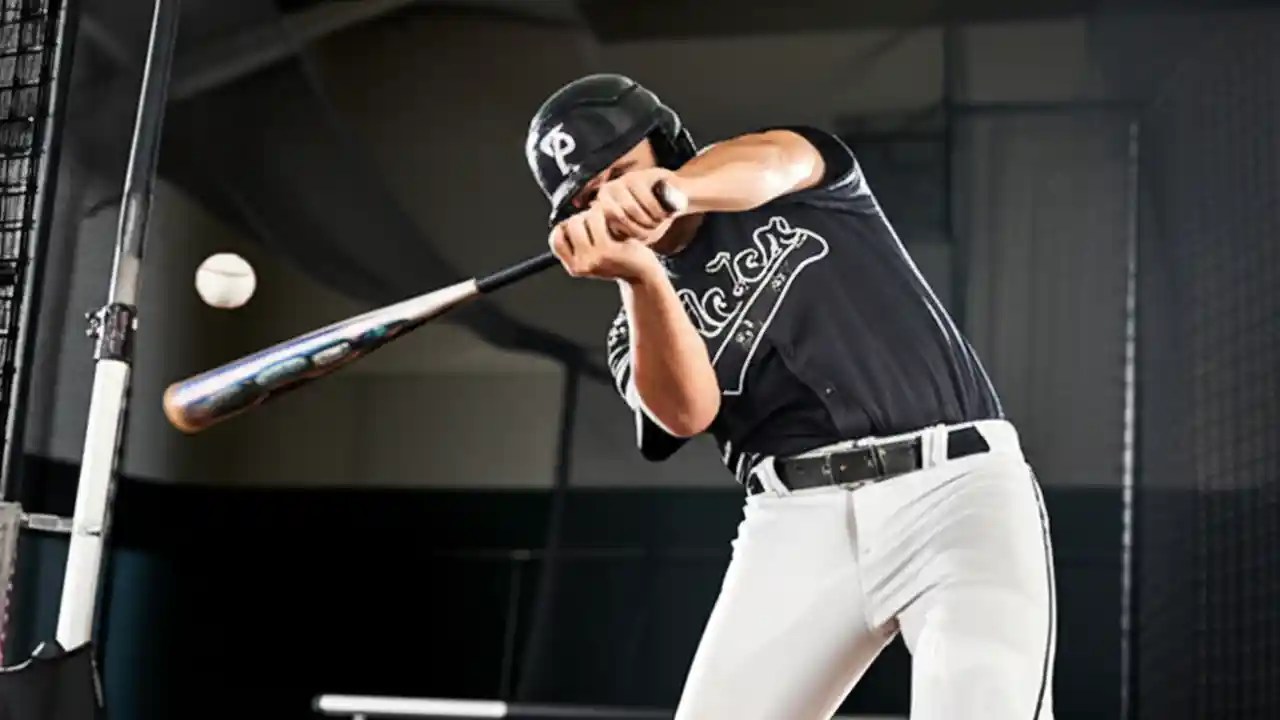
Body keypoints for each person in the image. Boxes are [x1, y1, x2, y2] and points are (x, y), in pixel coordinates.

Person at [524, 73, 1057, 720]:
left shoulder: (797, 177)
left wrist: (671, 191)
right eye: (588, 196)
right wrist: (640, 277)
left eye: (622, 169)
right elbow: (688, 413)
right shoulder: (629, 331)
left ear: (664, 143)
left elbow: (778, 161)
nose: (611, 197)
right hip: (796, 523)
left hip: (952, 488)